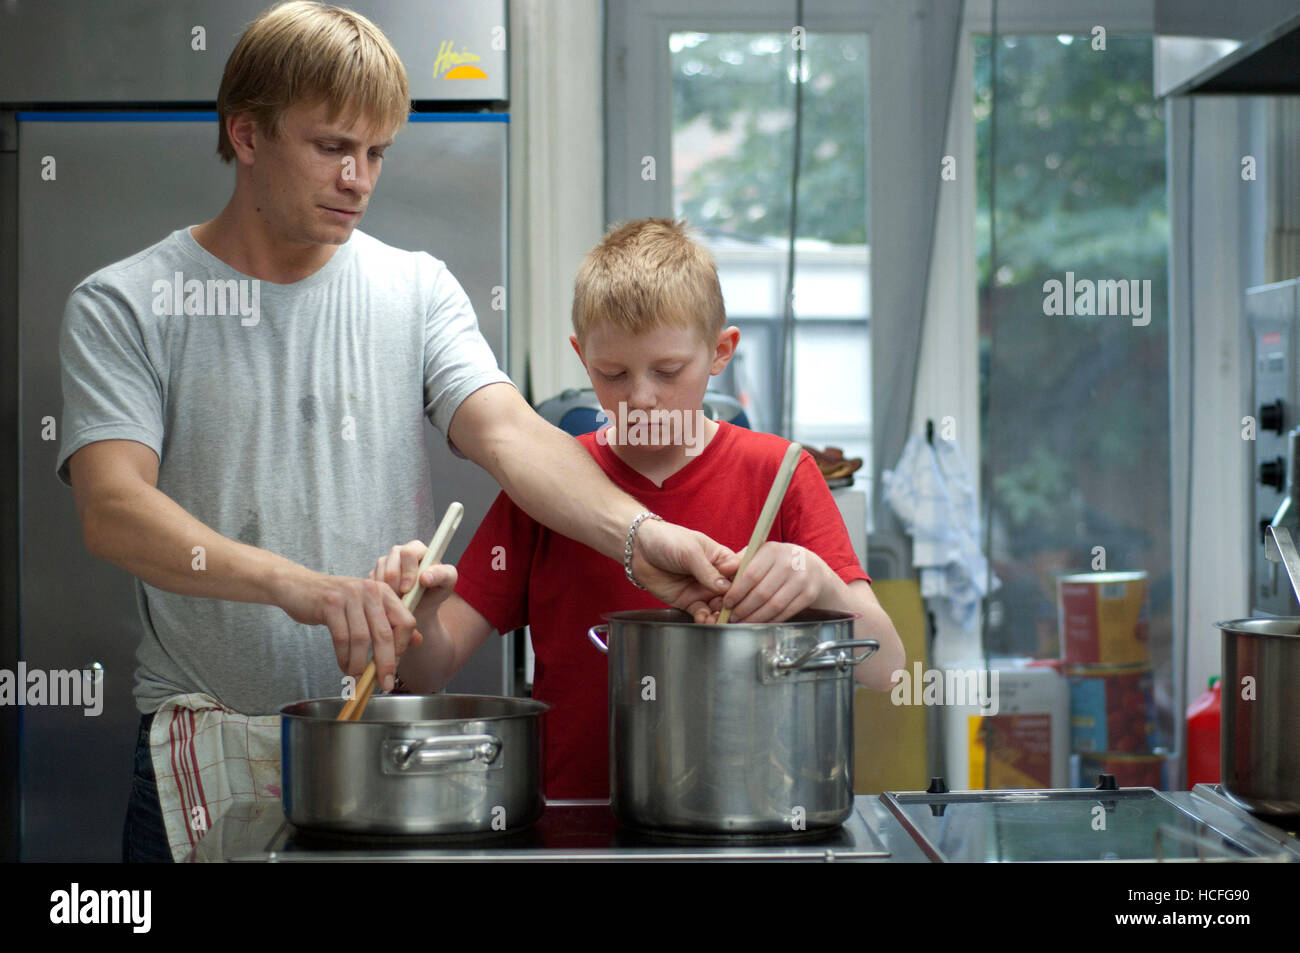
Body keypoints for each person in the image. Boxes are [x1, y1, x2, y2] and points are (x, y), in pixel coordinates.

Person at [56, 2, 733, 862]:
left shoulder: (415, 289)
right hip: (202, 743)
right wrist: (303, 586)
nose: (360, 179)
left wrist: (643, 534)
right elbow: (113, 508)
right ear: (248, 134)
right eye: (333, 147)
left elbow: (512, 437)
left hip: (377, 749)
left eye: (377, 152)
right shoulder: (126, 303)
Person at [373, 218, 906, 799]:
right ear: (582, 357)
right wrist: (417, 615)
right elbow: (430, 672)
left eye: (668, 371)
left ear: (721, 351)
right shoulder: (546, 483)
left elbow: (888, 670)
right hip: (575, 820)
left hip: (748, 814)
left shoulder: (780, 473)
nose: (642, 398)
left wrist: (820, 580)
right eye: (614, 374)